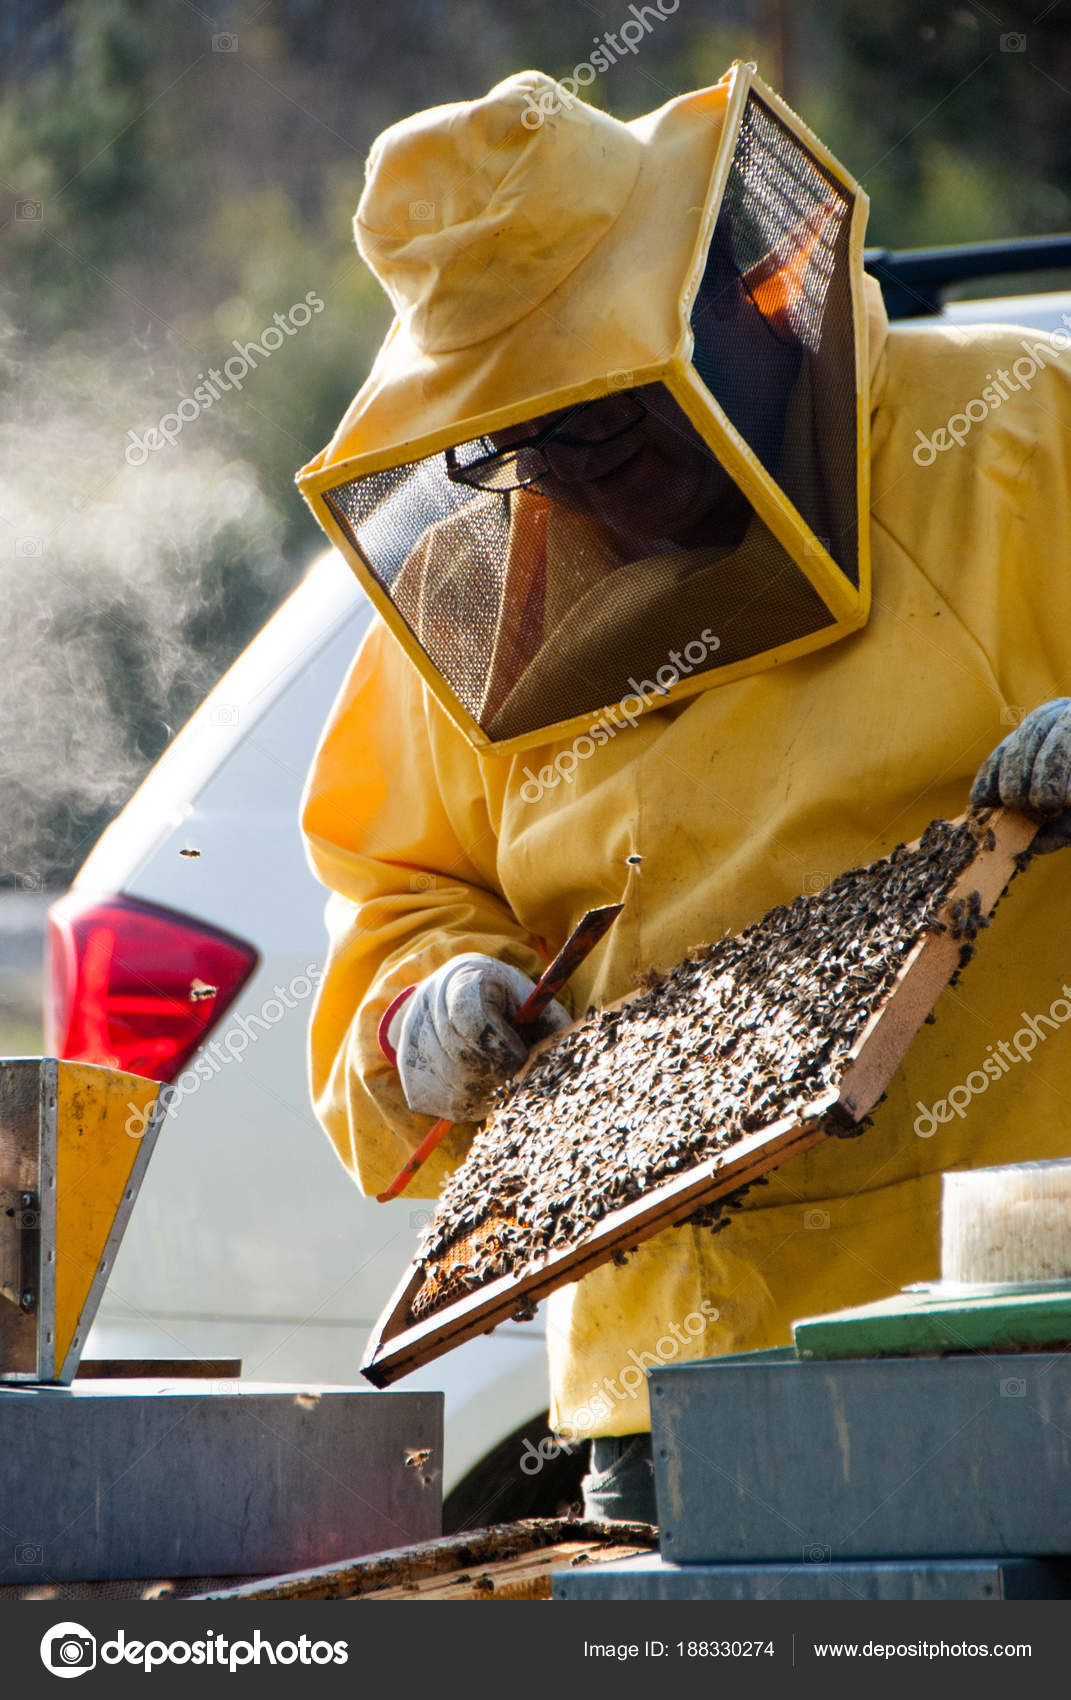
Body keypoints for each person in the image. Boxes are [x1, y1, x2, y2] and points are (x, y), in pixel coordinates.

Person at [298, 67, 1071, 1525]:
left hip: (1023, 1328)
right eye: (524, 437)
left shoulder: (1012, 430)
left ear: (739, 295)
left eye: (609, 405)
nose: (586, 477)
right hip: (676, 1393)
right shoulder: (488, 606)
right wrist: (425, 1019)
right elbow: (397, 897)